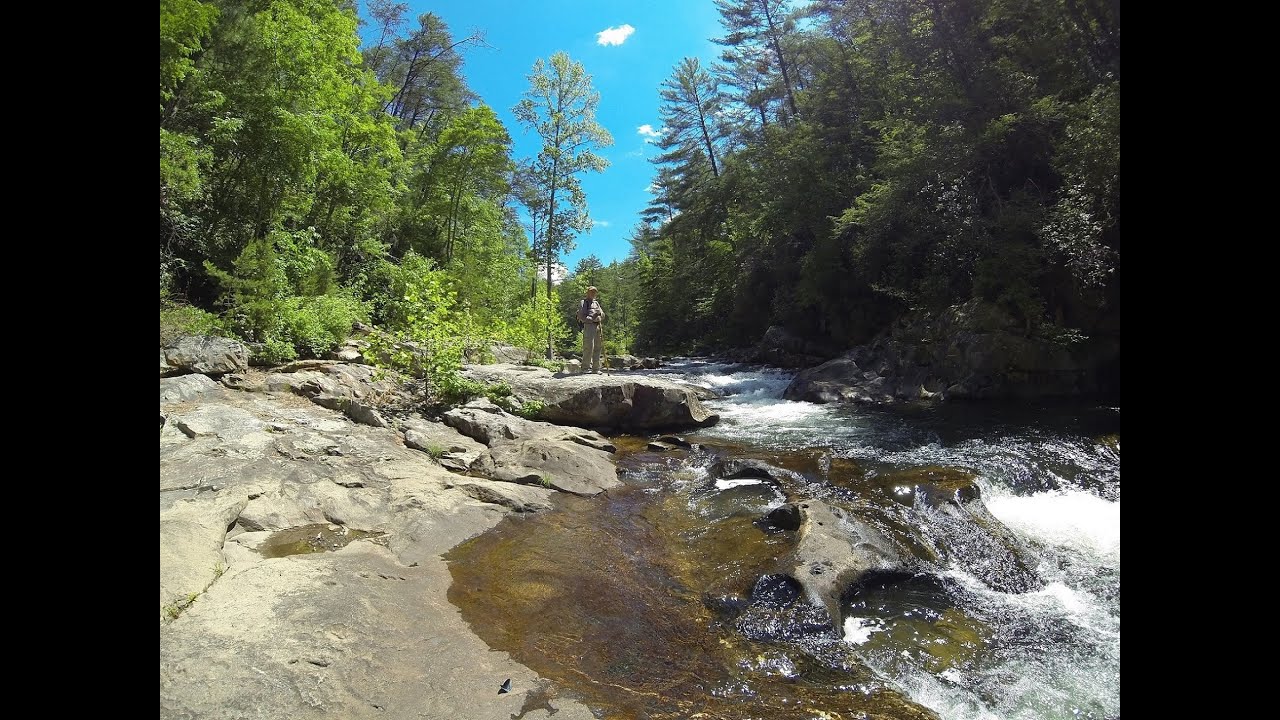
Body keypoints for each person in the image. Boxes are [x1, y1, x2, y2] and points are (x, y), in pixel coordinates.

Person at [576, 286, 606, 373]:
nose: (593, 294)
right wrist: (592, 318)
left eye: (594, 292)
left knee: (598, 347)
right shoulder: (583, 302)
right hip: (589, 326)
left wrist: (600, 316)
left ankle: (596, 368)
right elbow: (581, 316)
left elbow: (602, 314)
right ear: (587, 293)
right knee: (589, 346)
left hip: (598, 326)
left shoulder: (596, 303)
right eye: (591, 292)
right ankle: (585, 368)